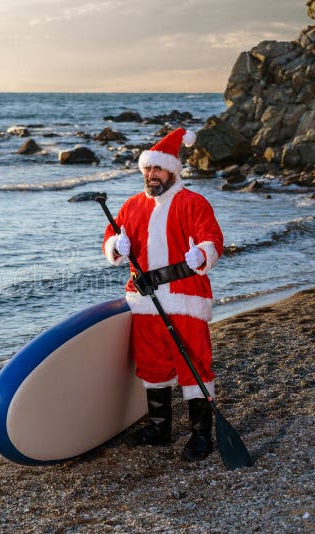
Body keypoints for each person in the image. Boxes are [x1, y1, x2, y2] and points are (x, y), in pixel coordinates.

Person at [101, 127, 224, 462]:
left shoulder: (193, 203)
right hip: (144, 302)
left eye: (157, 169)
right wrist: (116, 246)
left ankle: (201, 434)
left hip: (186, 299)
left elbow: (212, 239)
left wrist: (202, 254)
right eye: (147, 170)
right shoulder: (131, 206)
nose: (151, 176)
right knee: (152, 363)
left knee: (193, 364)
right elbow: (110, 237)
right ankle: (159, 427)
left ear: (173, 170)